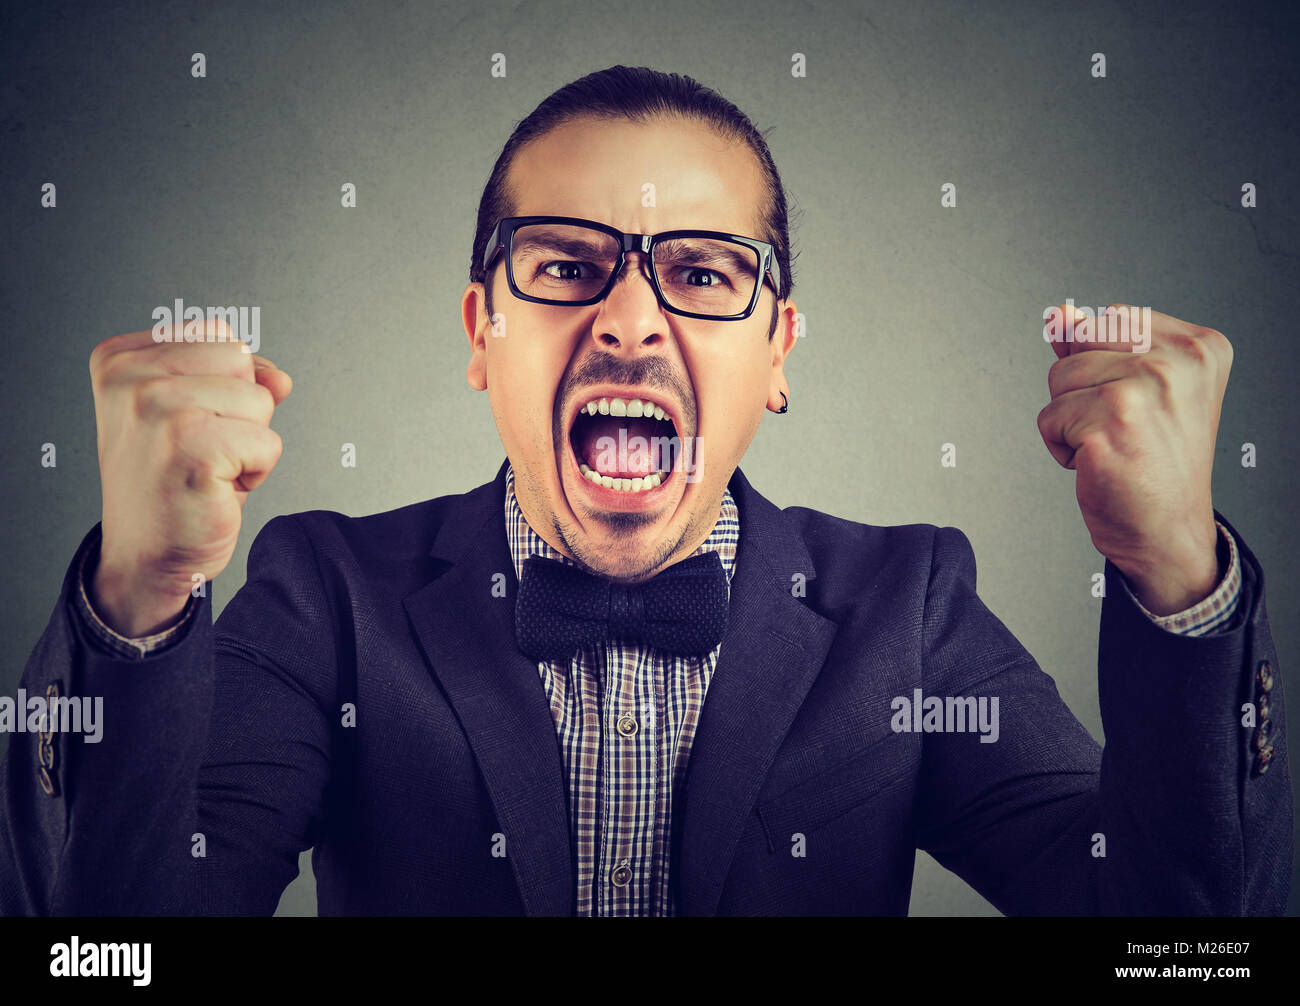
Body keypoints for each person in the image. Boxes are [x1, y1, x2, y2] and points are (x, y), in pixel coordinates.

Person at [0, 65, 1290, 917]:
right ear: (478, 332)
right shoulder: (327, 593)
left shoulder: (911, 608)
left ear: (775, 348)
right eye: (562, 262)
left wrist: (1178, 580)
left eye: (704, 268)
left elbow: (1173, 945)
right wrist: (138, 602)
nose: (627, 318)